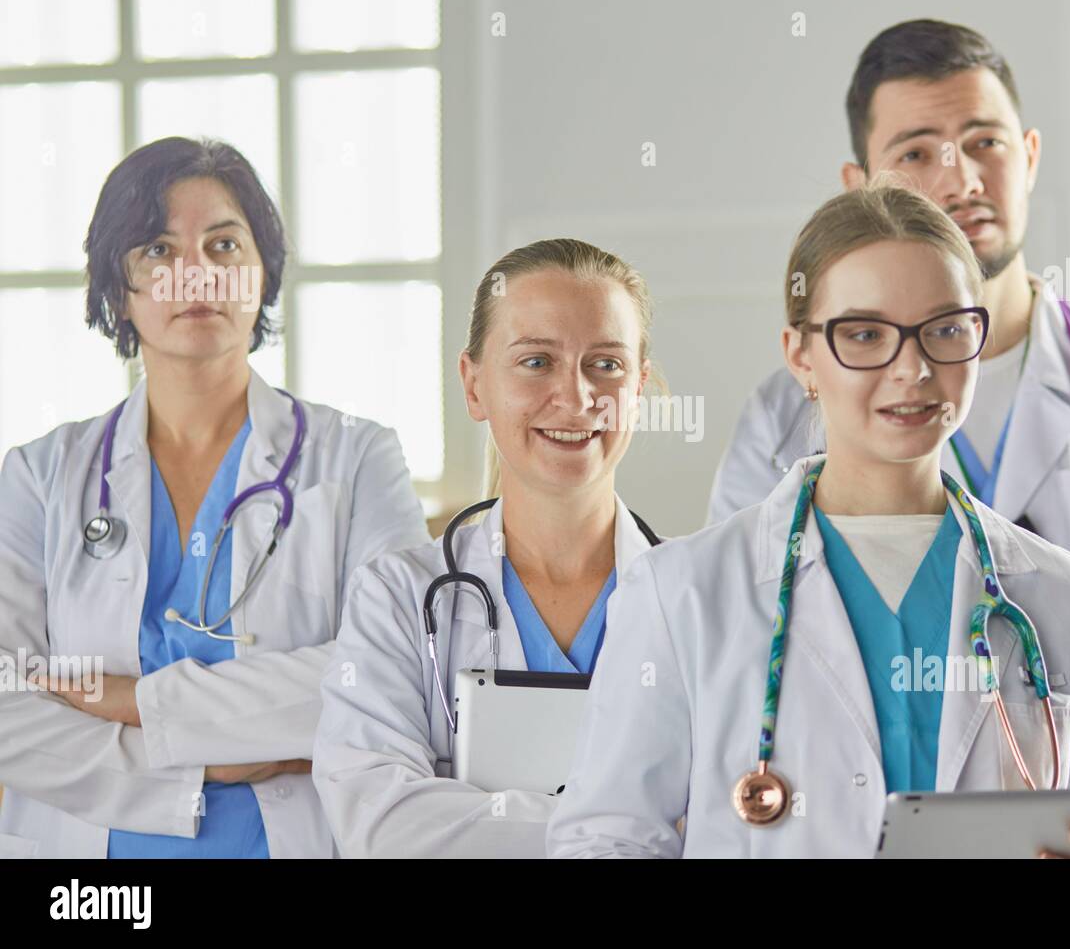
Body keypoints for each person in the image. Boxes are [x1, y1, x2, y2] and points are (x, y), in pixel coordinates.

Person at [705, 19, 1070, 857]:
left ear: (1032, 154)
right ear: (861, 183)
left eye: (986, 142)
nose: (962, 177)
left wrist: (1041, 770)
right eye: (917, 152)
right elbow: (747, 642)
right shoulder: (784, 415)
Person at [548, 182, 1070, 859]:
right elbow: (605, 841)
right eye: (865, 334)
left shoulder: (1059, 593)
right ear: (801, 355)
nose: (913, 369)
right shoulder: (681, 590)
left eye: (946, 329)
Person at [0, 137, 429, 859]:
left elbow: (390, 670)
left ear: (263, 276)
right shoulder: (40, 475)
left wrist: (137, 703)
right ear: (118, 291)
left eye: (224, 246)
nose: (193, 276)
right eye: (158, 251)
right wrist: (198, 771)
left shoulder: (357, 458)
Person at [313, 238, 663, 857]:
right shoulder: (395, 597)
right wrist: (623, 827)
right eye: (536, 362)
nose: (576, 397)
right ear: (474, 386)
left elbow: (733, 820)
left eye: (606, 364)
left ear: (639, 388)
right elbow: (382, 824)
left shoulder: (697, 598)